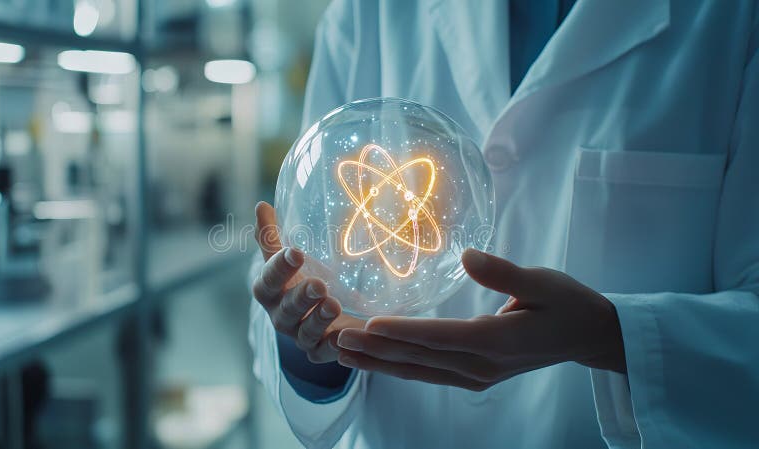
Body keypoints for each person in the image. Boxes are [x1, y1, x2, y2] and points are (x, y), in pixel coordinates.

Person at [249, 1, 759, 448]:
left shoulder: (734, 16)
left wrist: (613, 336)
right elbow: (310, 223)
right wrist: (303, 332)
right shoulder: (368, 11)